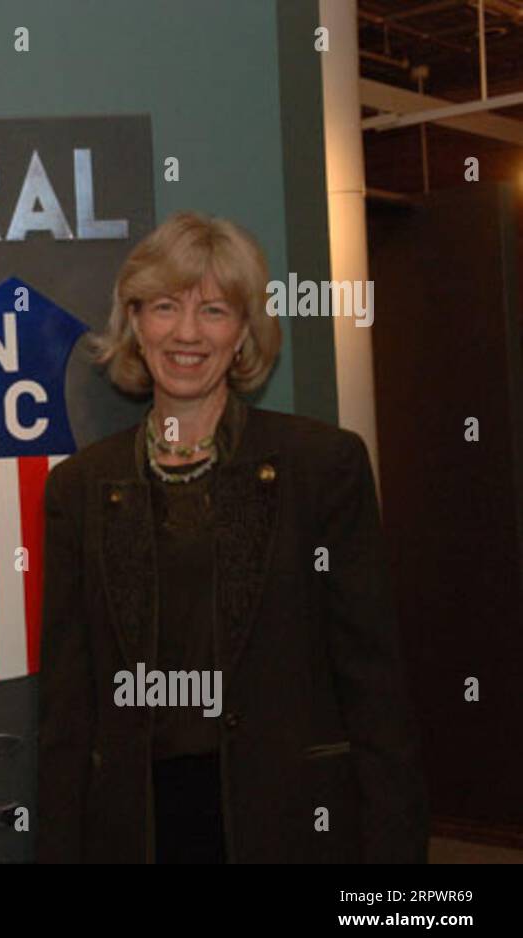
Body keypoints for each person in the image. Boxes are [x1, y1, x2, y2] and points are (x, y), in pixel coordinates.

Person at [36, 211, 427, 863]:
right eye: (165, 306)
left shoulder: (322, 468)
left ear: (245, 331)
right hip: (137, 828)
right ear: (134, 322)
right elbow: (66, 715)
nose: (187, 333)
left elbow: (377, 693)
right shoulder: (80, 488)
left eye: (214, 310)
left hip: (291, 823)